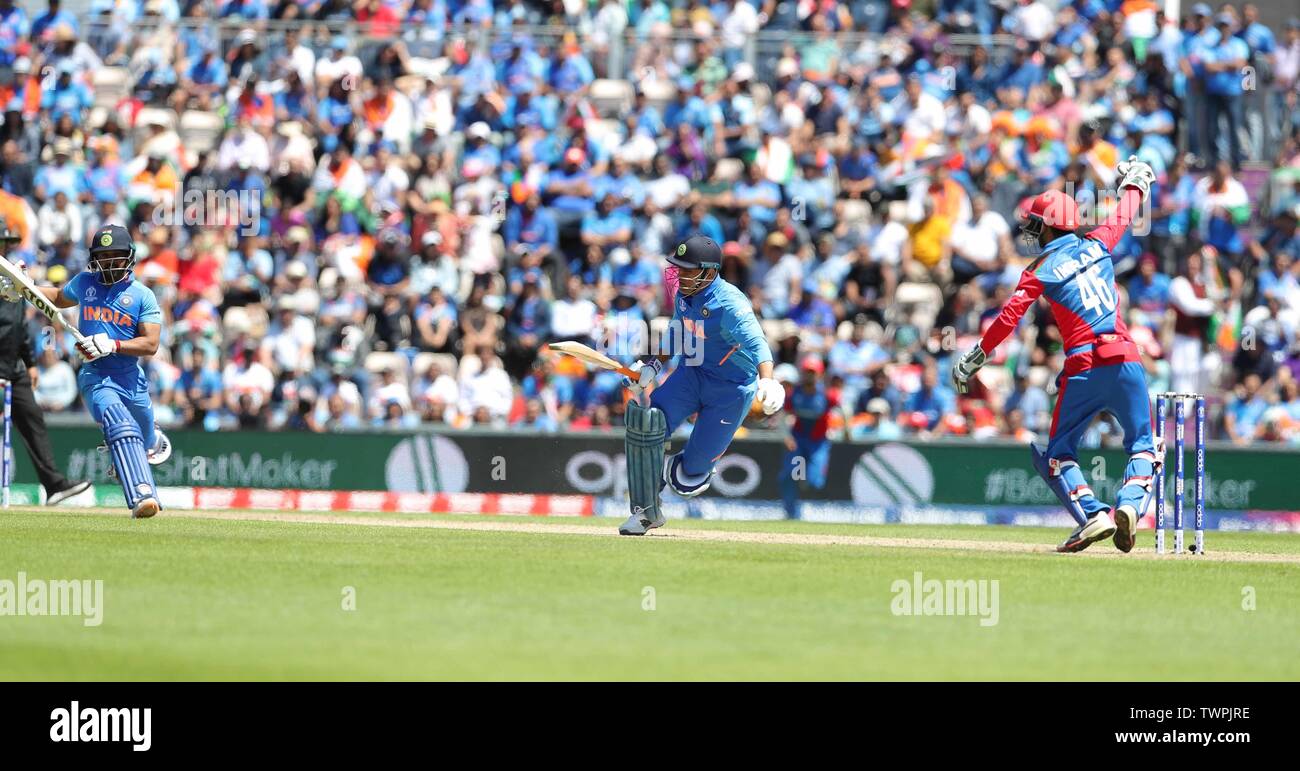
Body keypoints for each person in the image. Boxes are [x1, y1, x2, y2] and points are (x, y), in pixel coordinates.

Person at [951, 156, 1158, 554]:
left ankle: (1094, 514)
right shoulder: (1099, 242)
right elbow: (1124, 212)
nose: (1032, 231)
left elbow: (1009, 317)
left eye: (1035, 224)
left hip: (1083, 365)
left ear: (1047, 226)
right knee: (1144, 445)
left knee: (1057, 454)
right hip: (1127, 359)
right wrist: (1137, 183)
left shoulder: (1039, 269)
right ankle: (1130, 506)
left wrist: (975, 356)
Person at [0, 225, 171, 518]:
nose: (109, 263)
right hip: (96, 377)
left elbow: (151, 344)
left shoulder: (142, 295)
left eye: (116, 257)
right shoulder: (85, 282)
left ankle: (147, 442)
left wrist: (113, 344)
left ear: (129, 258)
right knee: (119, 423)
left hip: (131, 379)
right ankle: (142, 494)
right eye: (103, 257)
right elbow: (54, 296)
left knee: (142, 436)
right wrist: (22, 286)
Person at [618, 234, 784, 535]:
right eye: (678, 268)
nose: (680, 274)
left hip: (730, 390)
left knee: (687, 479)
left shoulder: (730, 303)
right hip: (691, 374)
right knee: (647, 425)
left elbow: (757, 342)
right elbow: (676, 332)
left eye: (687, 269)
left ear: (709, 272)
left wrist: (768, 380)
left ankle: (674, 470)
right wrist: (653, 365)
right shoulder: (685, 294)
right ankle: (645, 512)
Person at [0, 222, 90, 504]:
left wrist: (30, 362)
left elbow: (20, 325)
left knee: (33, 421)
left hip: (14, 367)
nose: (4, 247)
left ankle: (54, 485)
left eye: (6, 242)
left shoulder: (13, 276)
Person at [779, 355, 836, 520]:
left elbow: (843, 408)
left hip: (818, 442)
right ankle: (791, 513)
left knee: (814, 481)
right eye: (806, 372)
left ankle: (804, 479)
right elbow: (782, 415)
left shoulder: (826, 395)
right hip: (798, 440)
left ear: (819, 375)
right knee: (789, 475)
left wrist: (847, 430)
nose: (809, 376)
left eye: (813, 372)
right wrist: (786, 436)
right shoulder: (794, 393)